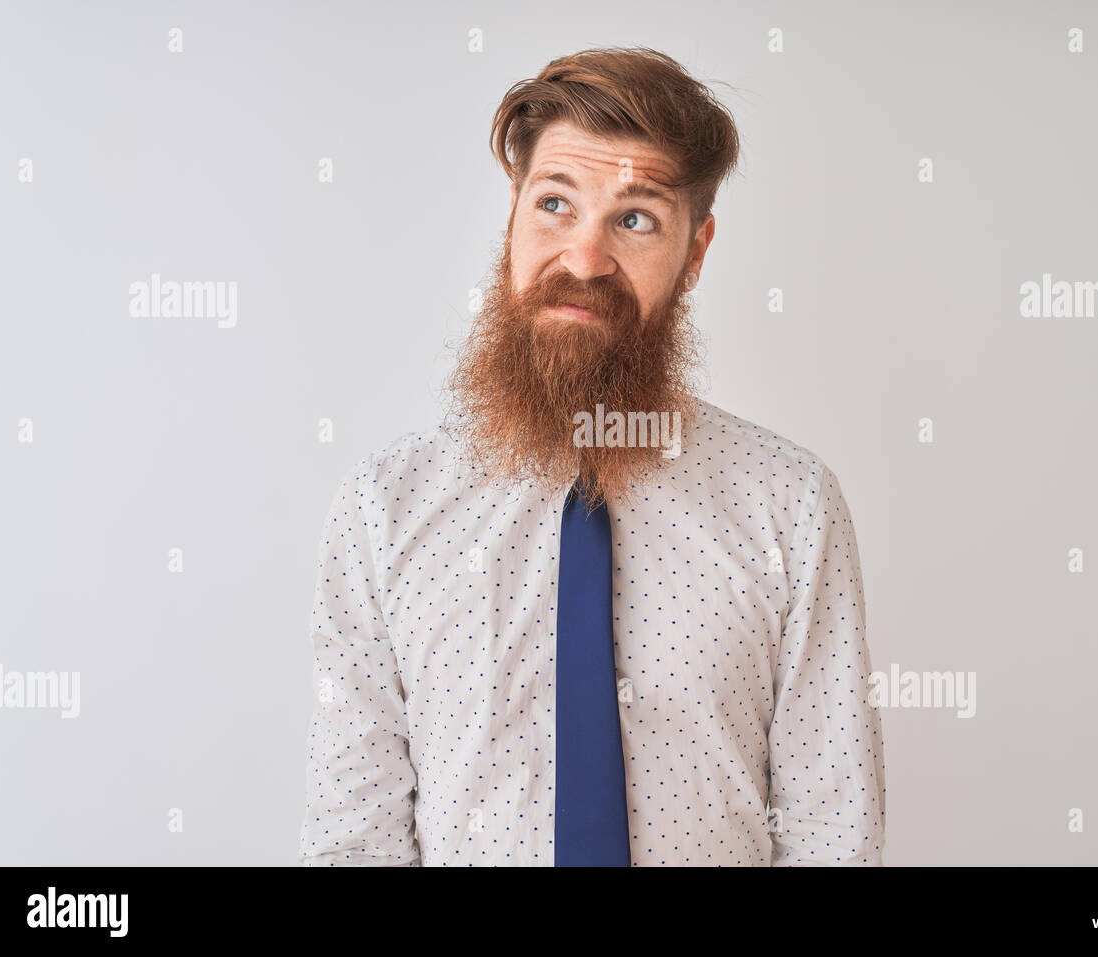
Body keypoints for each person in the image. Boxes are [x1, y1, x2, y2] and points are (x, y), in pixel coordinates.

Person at [298, 46, 885, 866]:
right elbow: (351, 837)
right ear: (512, 216)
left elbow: (834, 834)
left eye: (635, 218)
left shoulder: (790, 504)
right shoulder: (383, 508)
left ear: (697, 248)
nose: (583, 258)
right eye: (554, 203)